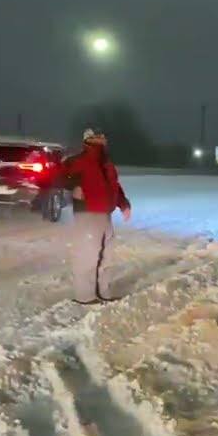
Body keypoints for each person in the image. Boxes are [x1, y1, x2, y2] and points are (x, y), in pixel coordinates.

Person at [59, 128, 131, 304]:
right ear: (88, 140)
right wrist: (74, 185)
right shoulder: (77, 161)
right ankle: (85, 296)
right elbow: (55, 177)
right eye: (99, 137)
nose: (103, 139)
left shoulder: (106, 163)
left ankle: (103, 293)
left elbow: (115, 186)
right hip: (87, 213)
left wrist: (123, 204)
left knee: (107, 257)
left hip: (105, 214)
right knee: (87, 256)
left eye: (103, 137)